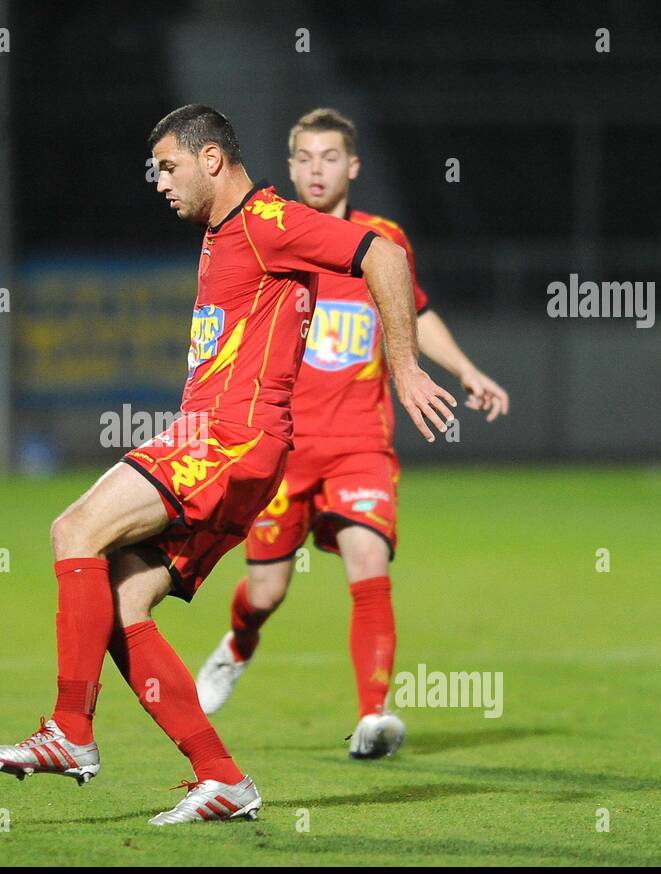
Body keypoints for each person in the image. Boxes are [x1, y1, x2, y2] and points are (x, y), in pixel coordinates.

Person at [0, 105, 456, 825]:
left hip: (229, 439)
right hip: (236, 448)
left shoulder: (267, 221)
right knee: (118, 601)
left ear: (211, 160)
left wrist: (406, 365)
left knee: (73, 530)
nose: (160, 183)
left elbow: (381, 254)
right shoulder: (221, 233)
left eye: (168, 167)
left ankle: (71, 731)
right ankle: (223, 779)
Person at [195, 108, 510, 758]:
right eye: (305, 158)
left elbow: (415, 312)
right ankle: (239, 643)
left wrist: (466, 370)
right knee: (266, 591)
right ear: (290, 166)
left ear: (353, 166)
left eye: (330, 157)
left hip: (361, 444)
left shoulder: (382, 241)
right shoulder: (273, 233)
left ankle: (373, 717)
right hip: (282, 448)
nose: (317, 170)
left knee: (369, 558)